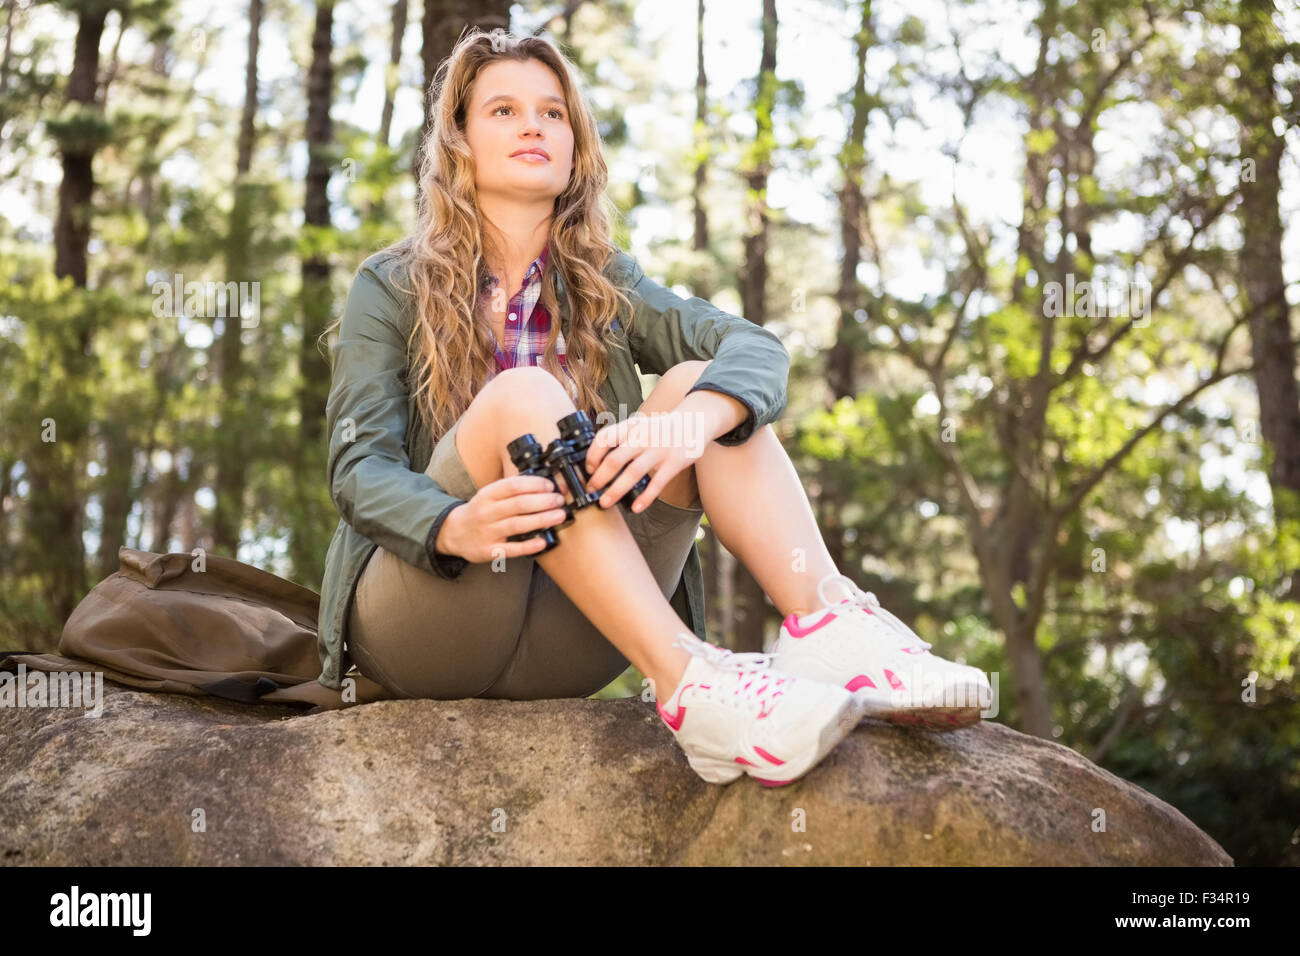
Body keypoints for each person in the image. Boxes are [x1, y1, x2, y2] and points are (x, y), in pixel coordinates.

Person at [317, 27, 990, 787]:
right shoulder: (392, 283)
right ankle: (693, 685)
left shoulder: (607, 280)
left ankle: (827, 626)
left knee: (703, 381)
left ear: (576, 147)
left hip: (574, 631)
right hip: (431, 615)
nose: (534, 124)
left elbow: (754, 348)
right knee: (528, 396)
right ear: (460, 142)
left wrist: (693, 419)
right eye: (503, 110)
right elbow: (356, 467)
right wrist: (450, 524)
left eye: (554, 112)